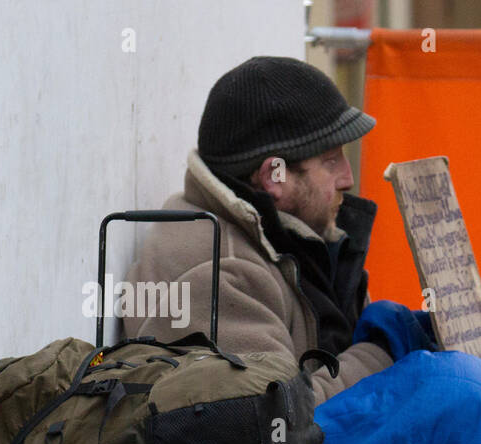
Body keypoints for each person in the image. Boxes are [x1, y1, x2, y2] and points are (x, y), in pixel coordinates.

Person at [125, 56, 393, 404]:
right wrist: (383, 352)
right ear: (274, 177)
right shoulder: (218, 273)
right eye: (331, 161)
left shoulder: (293, 235)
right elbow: (282, 416)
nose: (348, 178)